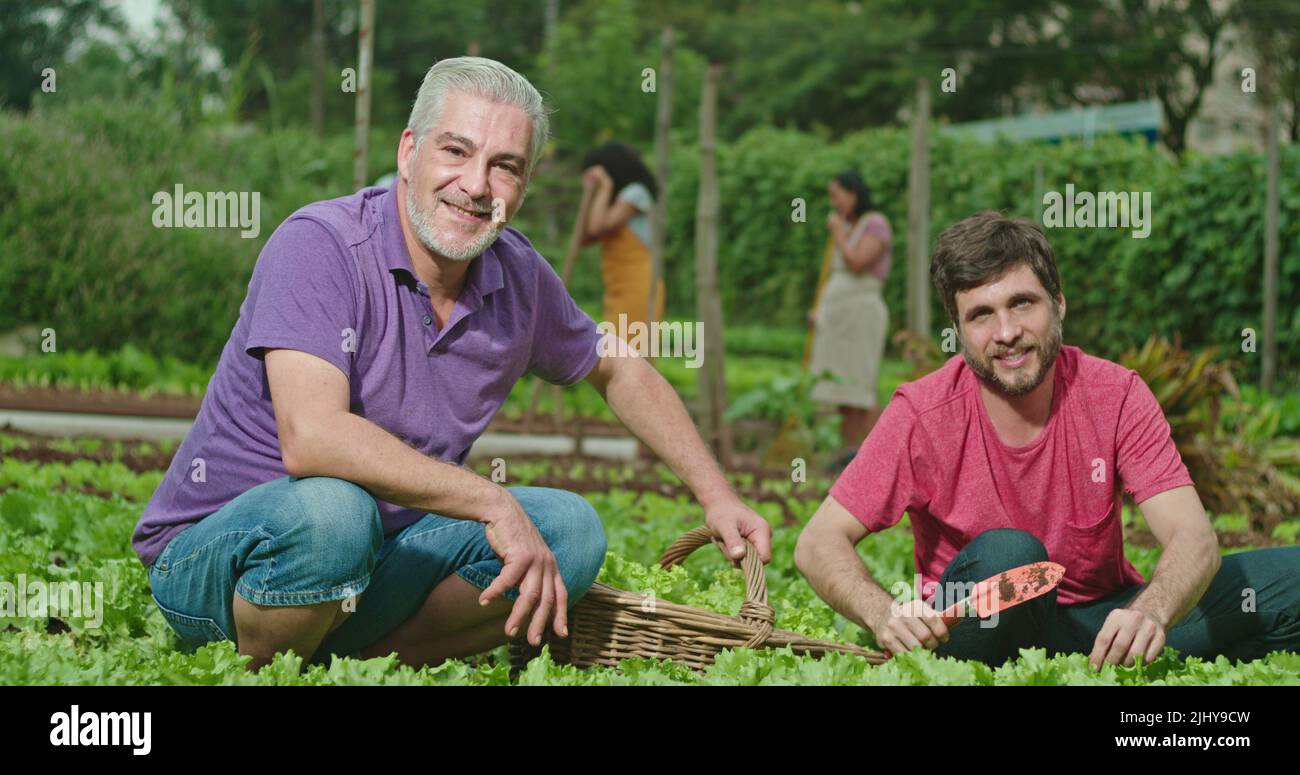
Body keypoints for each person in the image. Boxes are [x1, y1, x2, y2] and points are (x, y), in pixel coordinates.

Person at [131, 57, 772, 672]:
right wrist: (490, 501)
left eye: (506, 167)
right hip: (222, 561)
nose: (476, 185)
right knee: (333, 513)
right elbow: (312, 438)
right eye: (456, 151)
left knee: (571, 532)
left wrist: (718, 498)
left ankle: (364, 667)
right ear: (409, 152)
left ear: (523, 184)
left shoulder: (518, 276)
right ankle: (267, 666)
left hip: (375, 560)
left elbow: (618, 368)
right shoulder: (321, 246)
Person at [795, 211, 1300, 670]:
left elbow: (1194, 537)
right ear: (958, 329)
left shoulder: (1115, 394)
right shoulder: (923, 413)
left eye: (1022, 303)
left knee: (1291, 577)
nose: (1007, 331)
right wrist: (883, 613)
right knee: (1012, 556)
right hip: (983, 634)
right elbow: (818, 542)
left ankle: (1138, 670)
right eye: (981, 314)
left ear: (1058, 304)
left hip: (1099, 629)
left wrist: (1149, 612)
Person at [807, 170, 892, 472]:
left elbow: (857, 263)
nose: (834, 203)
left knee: (861, 385)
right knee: (843, 389)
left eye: (836, 195)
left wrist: (839, 235)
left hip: (861, 316)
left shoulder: (875, 223)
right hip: (838, 318)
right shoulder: (848, 226)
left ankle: (869, 457)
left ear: (853, 193)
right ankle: (848, 454)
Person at [579, 141, 665, 353]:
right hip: (617, 288)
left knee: (630, 356)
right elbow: (584, 237)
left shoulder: (636, 193)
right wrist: (591, 195)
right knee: (616, 353)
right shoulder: (613, 202)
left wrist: (605, 187)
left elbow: (598, 226)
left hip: (639, 287)